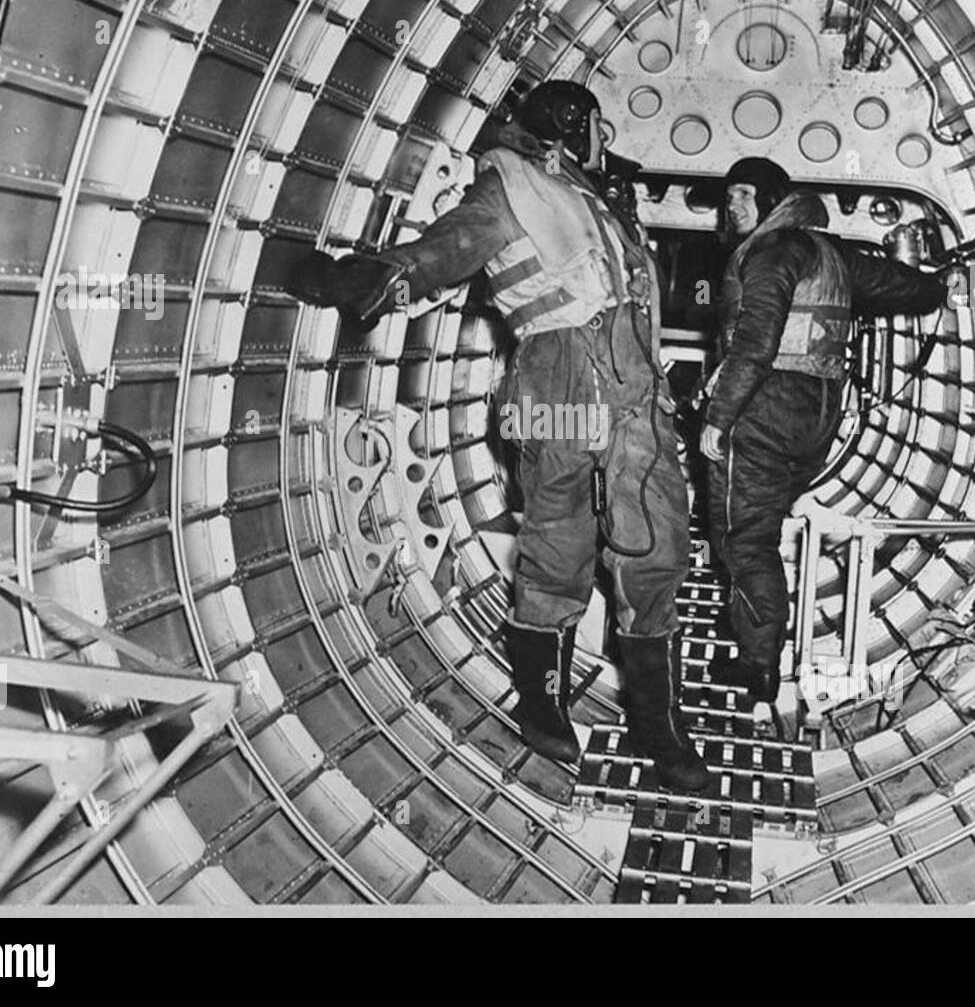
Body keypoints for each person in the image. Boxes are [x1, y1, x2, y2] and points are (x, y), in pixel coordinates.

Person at [287, 81, 709, 794]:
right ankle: (543, 708)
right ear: (572, 126)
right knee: (558, 546)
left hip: (633, 395)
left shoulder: (593, 201)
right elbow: (442, 251)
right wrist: (355, 281)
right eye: (595, 126)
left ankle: (657, 726)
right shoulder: (509, 187)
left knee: (656, 546)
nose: (603, 140)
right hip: (556, 386)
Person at [698, 157, 947, 712]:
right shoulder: (828, 253)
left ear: (771, 200)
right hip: (818, 414)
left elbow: (756, 343)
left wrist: (718, 417)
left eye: (744, 195)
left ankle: (758, 664)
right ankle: (751, 629)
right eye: (729, 196)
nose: (732, 206)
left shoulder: (770, 251)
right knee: (759, 530)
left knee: (743, 540)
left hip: (763, 409)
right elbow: (907, 287)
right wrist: (941, 284)